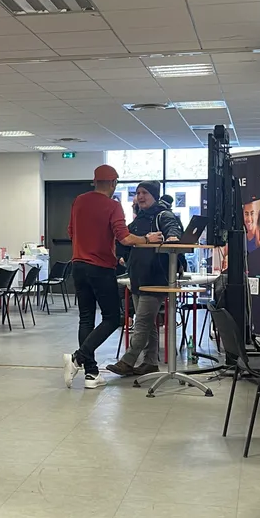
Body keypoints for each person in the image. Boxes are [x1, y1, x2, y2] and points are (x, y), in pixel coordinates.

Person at [63, 165, 162, 390]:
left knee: (86, 318)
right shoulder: (113, 206)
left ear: (95, 181)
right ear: (113, 183)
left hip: (78, 265)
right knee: (112, 318)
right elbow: (124, 238)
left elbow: (71, 232)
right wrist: (147, 239)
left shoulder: (79, 201)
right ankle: (78, 358)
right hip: (100, 268)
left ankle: (91, 374)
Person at [109, 181, 182, 378]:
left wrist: (172, 238)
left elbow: (174, 230)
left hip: (156, 277)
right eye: (138, 193)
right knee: (148, 324)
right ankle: (150, 363)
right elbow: (123, 240)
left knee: (141, 322)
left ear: (154, 195)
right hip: (137, 277)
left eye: (145, 193)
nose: (140, 196)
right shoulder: (138, 219)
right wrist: (122, 255)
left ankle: (128, 361)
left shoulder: (163, 215)